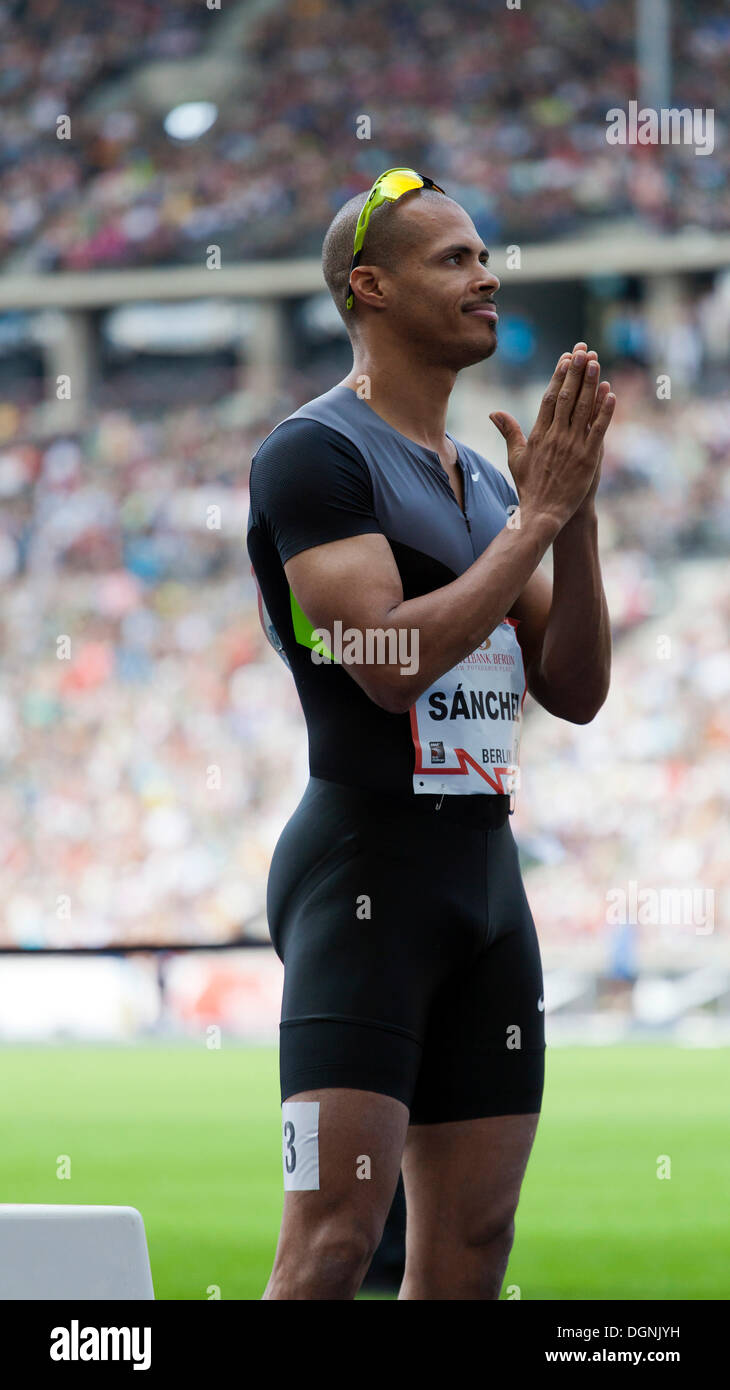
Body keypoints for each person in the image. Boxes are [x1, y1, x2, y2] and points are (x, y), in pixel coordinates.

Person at [246, 168, 615, 1300]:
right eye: (453, 258)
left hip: (483, 880)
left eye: (484, 252)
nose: (486, 274)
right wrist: (538, 519)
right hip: (365, 875)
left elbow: (576, 688)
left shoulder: (489, 490)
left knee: (467, 1253)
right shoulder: (315, 454)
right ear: (370, 286)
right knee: (334, 1244)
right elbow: (389, 668)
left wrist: (575, 516)